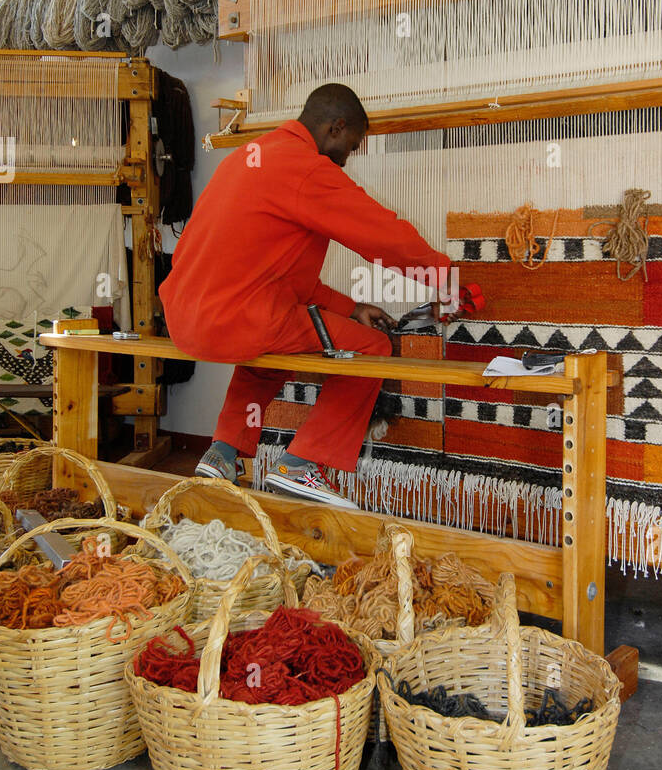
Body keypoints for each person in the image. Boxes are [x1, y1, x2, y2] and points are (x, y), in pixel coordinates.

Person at [159, 83, 452, 508]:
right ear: (336, 128)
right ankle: (301, 464)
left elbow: (283, 279)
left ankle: (222, 453)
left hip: (184, 320)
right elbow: (382, 234)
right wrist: (444, 277)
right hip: (238, 318)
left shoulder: (246, 157)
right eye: (350, 147)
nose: (347, 159)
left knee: (268, 347)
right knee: (372, 347)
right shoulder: (306, 168)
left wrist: (351, 308)